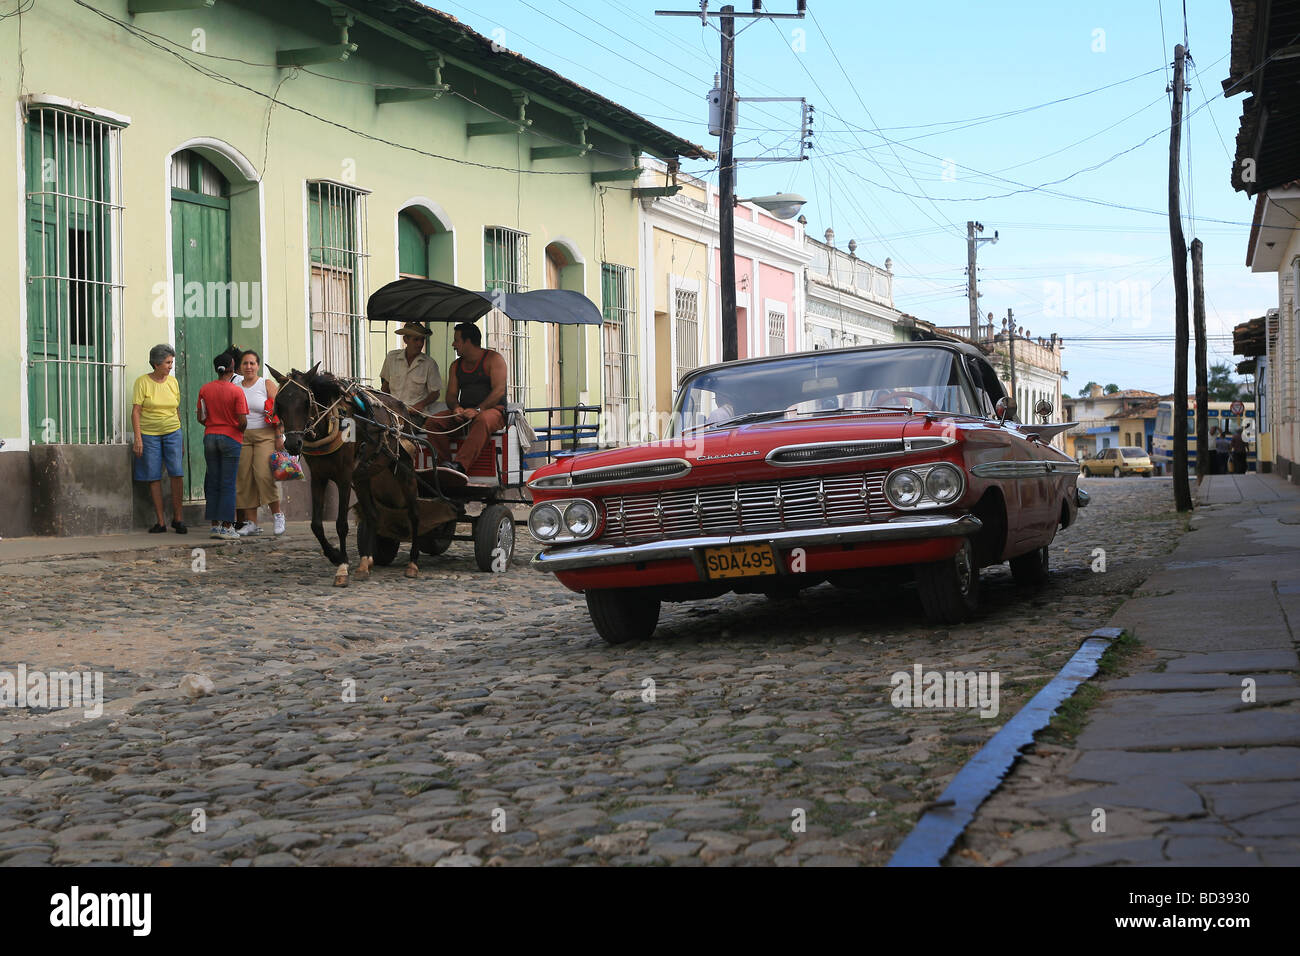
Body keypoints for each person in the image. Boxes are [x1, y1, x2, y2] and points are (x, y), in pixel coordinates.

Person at [423, 322, 506, 476]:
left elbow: (499, 391)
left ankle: (459, 466)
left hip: (493, 412)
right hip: (465, 413)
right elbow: (451, 395)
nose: (453, 344)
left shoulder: (494, 359)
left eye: (456, 340)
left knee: (483, 419)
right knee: (433, 422)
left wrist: (478, 410)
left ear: (468, 342)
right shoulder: (455, 365)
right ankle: (445, 467)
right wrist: (456, 408)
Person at [132, 344, 187, 534]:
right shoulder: (142, 382)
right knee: (153, 476)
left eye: (172, 362)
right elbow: (136, 411)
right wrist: (138, 438)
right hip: (149, 435)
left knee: (177, 473)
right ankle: (161, 521)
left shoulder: (173, 382)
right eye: (167, 362)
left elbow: (176, 409)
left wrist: (180, 438)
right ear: (156, 364)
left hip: (173, 432)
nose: (171, 366)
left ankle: (178, 519)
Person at [232, 350, 287, 536]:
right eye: (245, 363)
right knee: (244, 477)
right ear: (240, 367)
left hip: (265, 435)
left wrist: (279, 435)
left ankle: (278, 515)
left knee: (263, 474)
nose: (248, 367)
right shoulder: (235, 385)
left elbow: (279, 409)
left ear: (257, 366)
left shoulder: (266, 384)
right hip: (243, 435)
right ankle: (251, 522)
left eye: (252, 363)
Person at [197, 352, 247, 539]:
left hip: (210, 436)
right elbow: (242, 420)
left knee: (213, 482)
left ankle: (215, 525)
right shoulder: (236, 391)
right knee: (228, 483)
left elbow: (201, 416)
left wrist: (212, 426)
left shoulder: (205, 389)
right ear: (232, 368)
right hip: (231, 438)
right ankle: (227, 526)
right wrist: (238, 430)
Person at [381, 322, 442, 414]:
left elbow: (435, 393)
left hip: (415, 414)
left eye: (422, 340)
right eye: (416, 339)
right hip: (392, 411)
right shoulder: (391, 357)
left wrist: (420, 405)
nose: (420, 344)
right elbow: (385, 386)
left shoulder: (429, 364)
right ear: (405, 339)